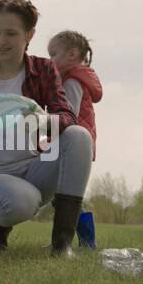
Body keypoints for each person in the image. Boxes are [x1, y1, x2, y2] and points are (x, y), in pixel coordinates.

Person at [0, 0, 93, 257]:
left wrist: (43, 121)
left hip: (34, 167)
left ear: (29, 35)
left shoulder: (44, 69)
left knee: (79, 136)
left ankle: (62, 246)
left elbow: (67, 116)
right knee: (23, 201)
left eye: (10, 33)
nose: (1, 41)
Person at [47, 30, 103, 247]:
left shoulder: (72, 81)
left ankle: (83, 241)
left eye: (53, 54)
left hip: (74, 145)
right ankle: (79, 240)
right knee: (64, 194)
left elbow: (69, 114)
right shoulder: (77, 78)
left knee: (65, 194)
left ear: (71, 55)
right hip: (80, 143)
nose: (49, 60)